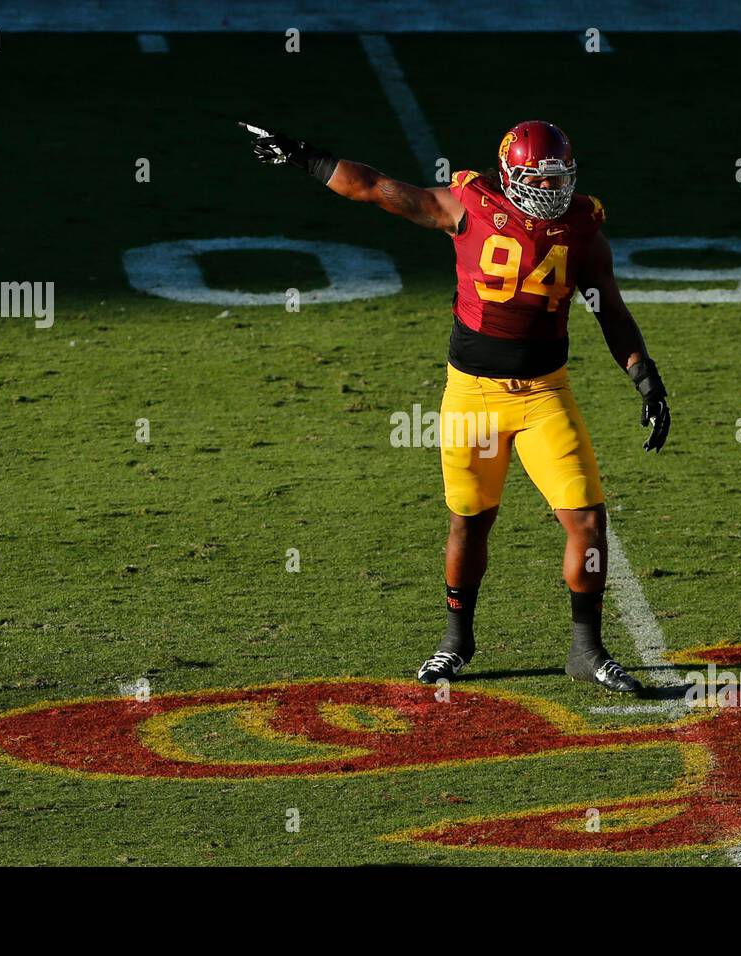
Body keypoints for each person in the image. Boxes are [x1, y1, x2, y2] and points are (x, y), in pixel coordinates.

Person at [240, 119, 670, 694]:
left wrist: (645, 377)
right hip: (473, 395)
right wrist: (306, 157)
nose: (554, 189)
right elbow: (374, 187)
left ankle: (586, 650)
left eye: (561, 177)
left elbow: (609, 309)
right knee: (469, 521)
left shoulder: (582, 228)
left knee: (588, 520)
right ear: (512, 177)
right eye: (542, 179)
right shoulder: (467, 205)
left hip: (546, 394)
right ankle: (455, 641)